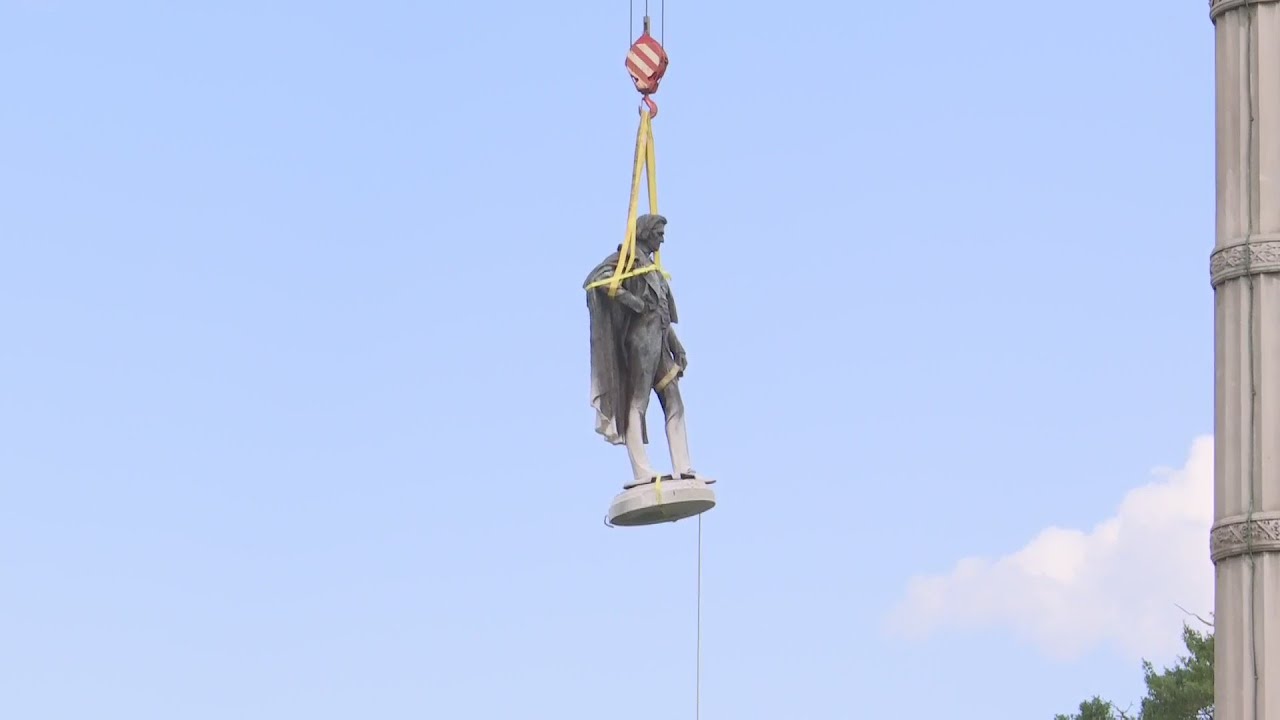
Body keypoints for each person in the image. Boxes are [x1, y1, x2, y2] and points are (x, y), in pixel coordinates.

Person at [584, 213, 706, 489]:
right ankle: (642, 471)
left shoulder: (651, 267)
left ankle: (683, 467)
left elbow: (661, 312)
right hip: (639, 342)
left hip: (660, 343)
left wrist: (677, 347)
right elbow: (596, 280)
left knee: (675, 401)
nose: (662, 238)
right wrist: (632, 302)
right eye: (658, 233)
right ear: (645, 232)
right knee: (637, 402)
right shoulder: (628, 260)